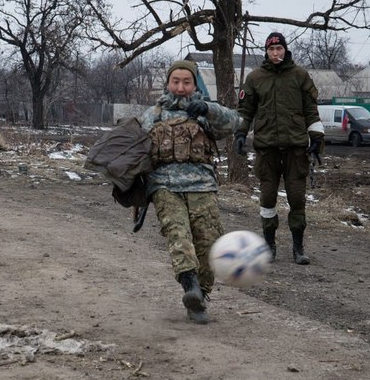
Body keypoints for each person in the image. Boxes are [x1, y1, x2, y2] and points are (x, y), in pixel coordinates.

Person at [138, 60, 239, 324]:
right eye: (176, 81)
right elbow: (132, 149)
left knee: (208, 243)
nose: (180, 87)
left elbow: (234, 123)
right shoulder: (152, 115)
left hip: (202, 186)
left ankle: (199, 298)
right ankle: (189, 284)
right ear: (168, 83)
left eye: (186, 82)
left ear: (194, 84)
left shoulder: (204, 113)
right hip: (165, 186)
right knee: (178, 234)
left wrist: (207, 108)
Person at [234, 32, 324, 265]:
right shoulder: (255, 78)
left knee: (296, 198)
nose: (275, 53)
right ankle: (269, 245)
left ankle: (298, 247)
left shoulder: (300, 76)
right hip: (267, 149)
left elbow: (311, 111)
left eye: (279, 49)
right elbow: (245, 111)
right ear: (266, 51)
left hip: (295, 148)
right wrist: (241, 134)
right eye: (271, 50)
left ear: (285, 50)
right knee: (267, 198)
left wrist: (316, 139)